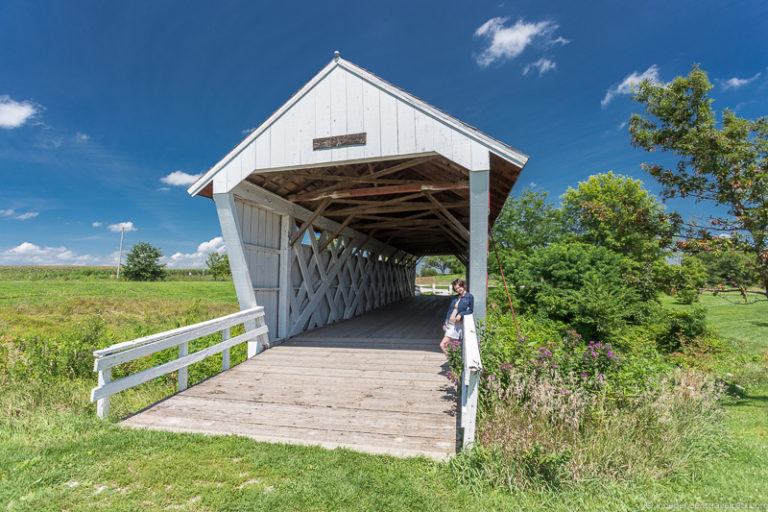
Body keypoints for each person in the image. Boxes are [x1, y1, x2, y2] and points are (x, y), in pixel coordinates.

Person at [440, 278, 473, 354]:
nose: (458, 290)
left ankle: (452, 360)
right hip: (450, 324)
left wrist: (461, 314)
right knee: (448, 346)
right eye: (456, 289)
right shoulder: (455, 297)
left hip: (456, 325)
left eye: (459, 287)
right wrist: (445, 323)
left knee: (443, 345)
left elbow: (471, 310)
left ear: (463, 286)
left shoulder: (469, 297)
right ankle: (452, 360)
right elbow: (450, 310)